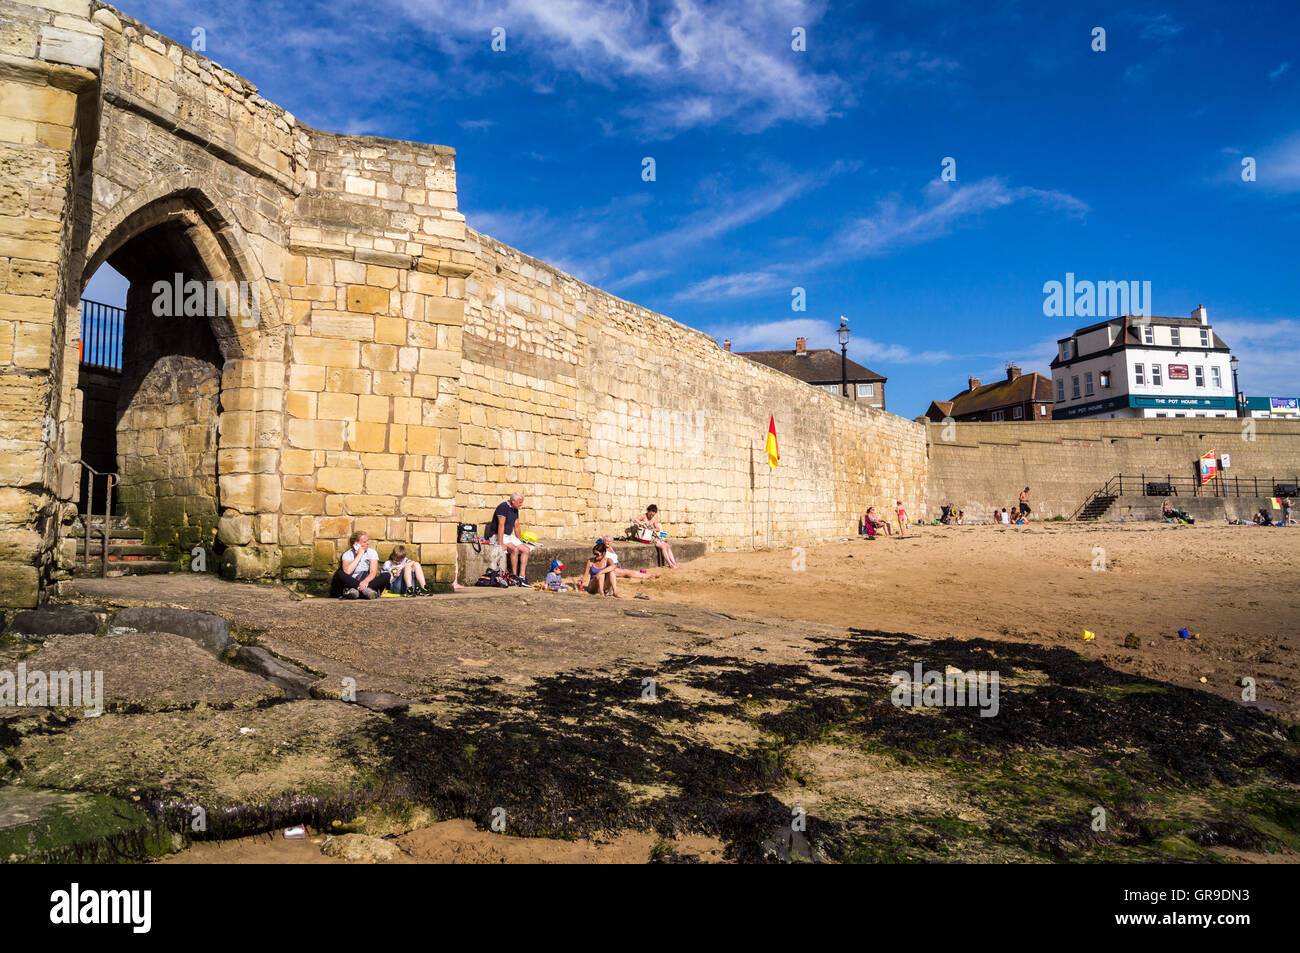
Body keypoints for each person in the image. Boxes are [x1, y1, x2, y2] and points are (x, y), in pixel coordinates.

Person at [331, 531, 390, 599]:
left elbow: (373, 572)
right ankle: (364, 592)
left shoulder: (372, 553)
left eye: (368, 541)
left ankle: (357, 591)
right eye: (364, 542)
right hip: (352, 582)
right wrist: (359, 554)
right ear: (356, 544)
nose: (368, 543)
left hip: (366, 582)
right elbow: (347, 571)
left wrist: (365, 582)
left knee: (386, 575)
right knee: (339, 573)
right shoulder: (347, 554)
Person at [489, 491, 529, 584]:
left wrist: (519, 541)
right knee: (514, 549)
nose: (521, 504)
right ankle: (514, 577)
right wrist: (501, 543)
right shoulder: (503, 507)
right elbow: (501, 525)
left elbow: (517, 526)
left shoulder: (515, 509)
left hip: (508, 535)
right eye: (520, 502)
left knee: (526, 549)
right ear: (513, 501)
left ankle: (522, 576)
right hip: (497, 535)